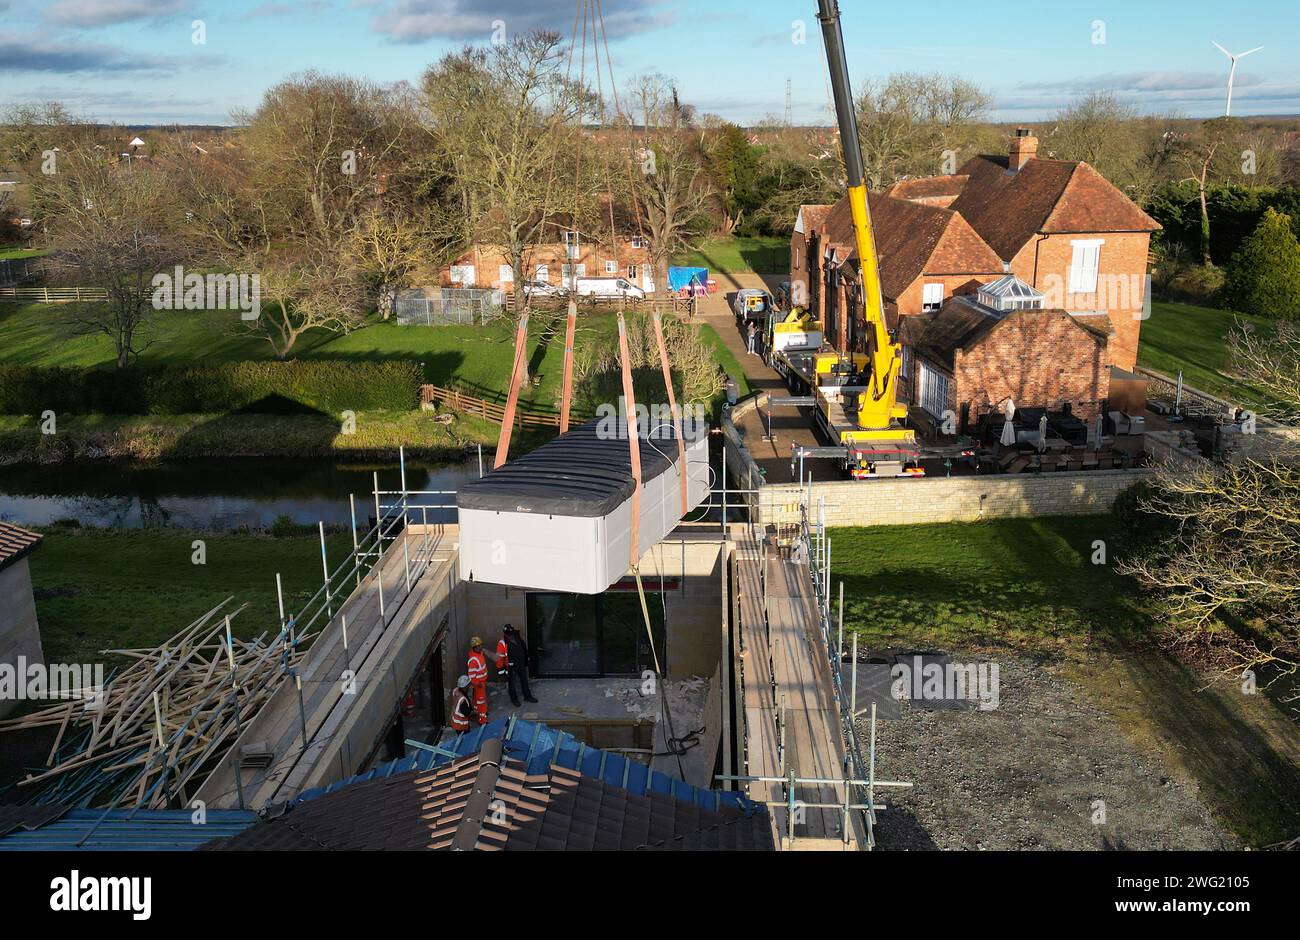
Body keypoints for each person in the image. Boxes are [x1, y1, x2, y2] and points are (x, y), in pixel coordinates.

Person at [498, 624, 537, 707]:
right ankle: (514, 699)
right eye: (509, 634)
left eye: (511, 633)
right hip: (511, 668)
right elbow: (500, 659)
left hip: (521, 664)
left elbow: (523, 648)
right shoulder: (502, 643)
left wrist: (527, 659)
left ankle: (527, 696)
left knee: (524, 681)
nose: (510, 635)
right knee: (512, 684)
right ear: (505, 634)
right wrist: (502, 673)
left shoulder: (517, 637)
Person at [466, 637, 489, 724]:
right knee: (481, 701)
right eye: (479, 646)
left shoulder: (479, 654)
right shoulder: (473, 660)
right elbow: (472, 675)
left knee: (477, 699)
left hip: (481, 682)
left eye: (481, 645)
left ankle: (477, 712)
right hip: (479, 684)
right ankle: (483, 719)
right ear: (474, 648)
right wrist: (478, 683)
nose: (481, 647)